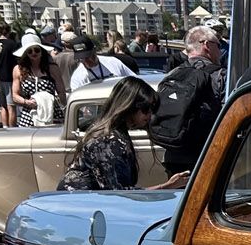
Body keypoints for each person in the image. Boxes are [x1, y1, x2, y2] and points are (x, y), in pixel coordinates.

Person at [58, 77, 189, 192]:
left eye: (152, 109)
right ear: (129, 107)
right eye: (145, 109)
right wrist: (167, 186)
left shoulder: (116, 135)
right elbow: (120, 194)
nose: (150, 114)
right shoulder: (106, 141)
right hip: (78, 205)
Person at [147, 25, 224, 176]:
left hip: (173, 156)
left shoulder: (172, 74)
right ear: (206, 45)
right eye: (218, 45)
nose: (220, 50)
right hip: (206, 157)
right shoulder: (220, 76)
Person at [10, 32, 64, 127]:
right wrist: (26, 102)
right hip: (29, 114)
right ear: (25, 53)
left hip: (52, 112)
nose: (33, 53)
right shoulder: (18, 69)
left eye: (36, 50)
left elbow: (61, 92)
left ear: (42, 51)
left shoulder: (52, 68)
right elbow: (14, 95)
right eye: (29, 51)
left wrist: (51, 101)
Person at [68, 36, 133, 92]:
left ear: (94, 50)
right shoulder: (77, 77)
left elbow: (133, 81)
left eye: (87, 56)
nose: (85, 61)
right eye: (81, 58)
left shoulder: (113, 62)